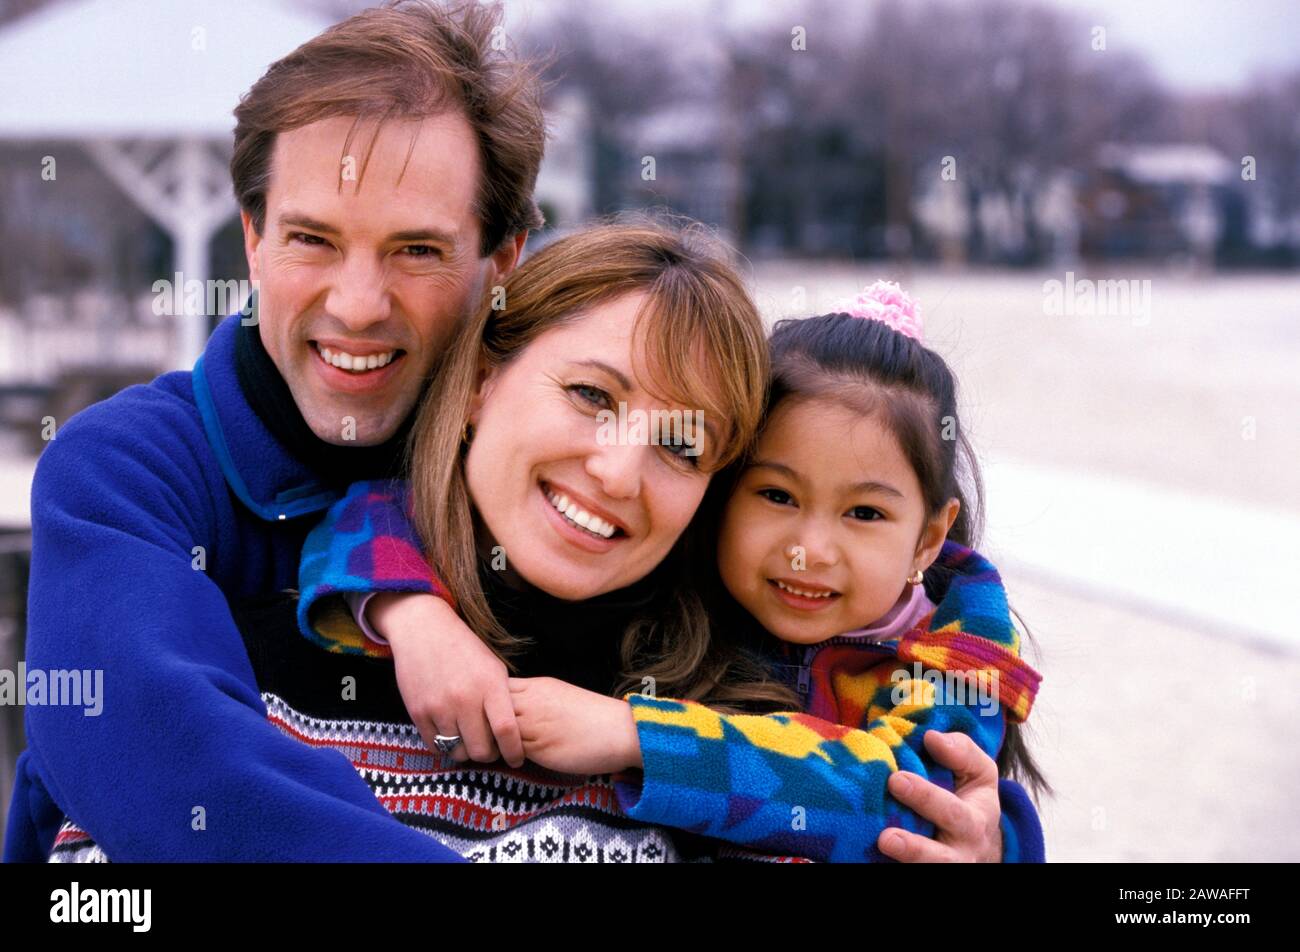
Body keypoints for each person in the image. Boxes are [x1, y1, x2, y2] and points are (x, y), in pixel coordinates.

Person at [287, 225, 1045, 862]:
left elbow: (922, 803)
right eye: (591, 396)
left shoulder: (923, 650)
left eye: (682, 446)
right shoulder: (304, 614)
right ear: (482, 378)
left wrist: (636, 737)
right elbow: (374, 512)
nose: (619, 475)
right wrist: (407, 612)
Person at [7, 0, 545, 862]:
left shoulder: (567, 489)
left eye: (418, 250)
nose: (358, 306)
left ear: (503, 261)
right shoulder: (124, 470)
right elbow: (169, 769)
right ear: (253, 239)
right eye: (312, 240)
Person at [608, 281, 1049, 860]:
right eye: (777, 495)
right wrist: (440, 610)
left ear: (928, 539)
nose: (810, 551)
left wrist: (636, 737)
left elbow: (897, 803)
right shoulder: (672, 594)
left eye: (864, 513)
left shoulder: (957, 663)